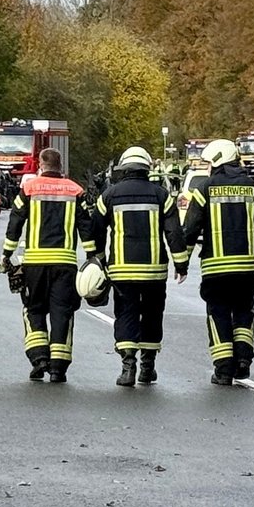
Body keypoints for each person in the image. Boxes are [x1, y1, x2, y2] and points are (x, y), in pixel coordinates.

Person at [174, 138, 254, 385]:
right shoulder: (253, 188)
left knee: (219, 313)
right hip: (246, 267)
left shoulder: (205, 190)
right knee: (244, 309)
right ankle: (243, 359)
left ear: (217, 162)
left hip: (216, 268)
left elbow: (190, 230)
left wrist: (181, 264)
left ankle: (224, 369)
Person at [86, 146, 184, 387]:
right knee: (152, 314)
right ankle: (147, 367)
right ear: (147, 168)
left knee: (126, 313)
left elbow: (95, 230)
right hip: (154, 271)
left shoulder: (109, 196)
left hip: (122, 269)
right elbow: (174, 232)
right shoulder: (161, 195)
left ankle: (128, 366)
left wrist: (97, 258)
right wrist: (181, 264)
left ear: (124, 168)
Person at [0, 147, 92, 382]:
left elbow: (15, 223)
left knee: (33, 309)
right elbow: (86, 227)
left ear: (41, 164)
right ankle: (58, 368)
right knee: (62, 312)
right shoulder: (75, 190)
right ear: (61, 167)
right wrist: (94, 257)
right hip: (64, 263)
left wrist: (6, 254)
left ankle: (39, 358)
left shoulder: (29, 189)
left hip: (35, 264)